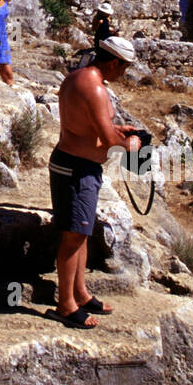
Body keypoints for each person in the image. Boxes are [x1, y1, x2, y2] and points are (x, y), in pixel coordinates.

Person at [48, 36, 142, 329]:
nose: (122, 74)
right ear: (114, 62)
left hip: (74, 163)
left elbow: (83, 123)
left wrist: (114, 127)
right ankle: (65, 305)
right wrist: (132, 144)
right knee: (73, 236)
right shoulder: (97, 89)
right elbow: (112, 142)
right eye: (124, 68)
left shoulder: (78, 78)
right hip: (77, 169)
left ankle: (81, 293)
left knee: (81, 233)